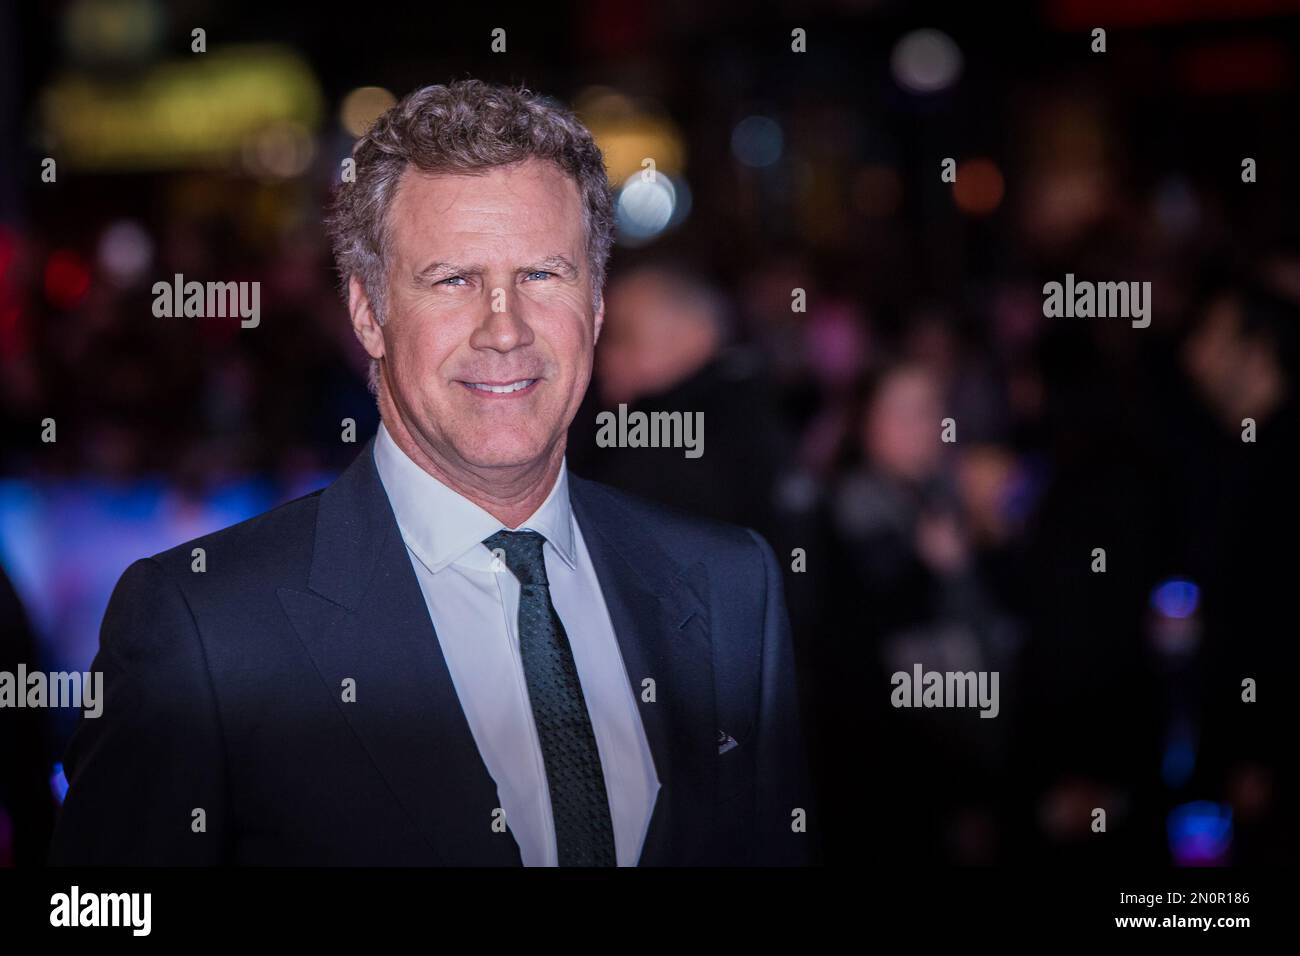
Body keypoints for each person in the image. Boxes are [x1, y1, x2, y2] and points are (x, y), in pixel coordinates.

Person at [47, 80, 812, 867]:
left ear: (597, 307)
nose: (505, 328)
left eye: (544, 275)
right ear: (369, 315)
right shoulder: (205, 631)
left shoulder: (728, 587)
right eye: (453, 280)